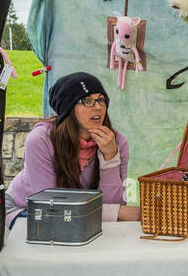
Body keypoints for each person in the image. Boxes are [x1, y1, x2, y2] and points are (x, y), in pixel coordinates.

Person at [9, 71, 141, 222]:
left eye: (101, 100)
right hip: (28, 209)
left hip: (78, 217)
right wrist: (118, 213)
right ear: (68, 108)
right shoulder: (40, 141)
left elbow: (114, 204)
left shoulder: (117, 142)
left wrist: (110, 158)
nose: (98, 107)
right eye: (87, 101)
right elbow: (51, 206)